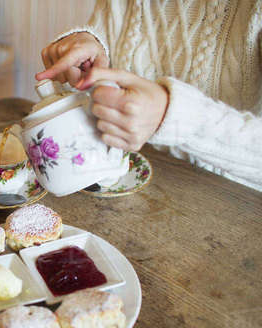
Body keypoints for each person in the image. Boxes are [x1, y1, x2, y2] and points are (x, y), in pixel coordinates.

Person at [36, 0, 262, 191]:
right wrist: (90, 44)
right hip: (127, 187)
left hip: (230, 204)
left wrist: (174, 116)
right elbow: (105, 58)